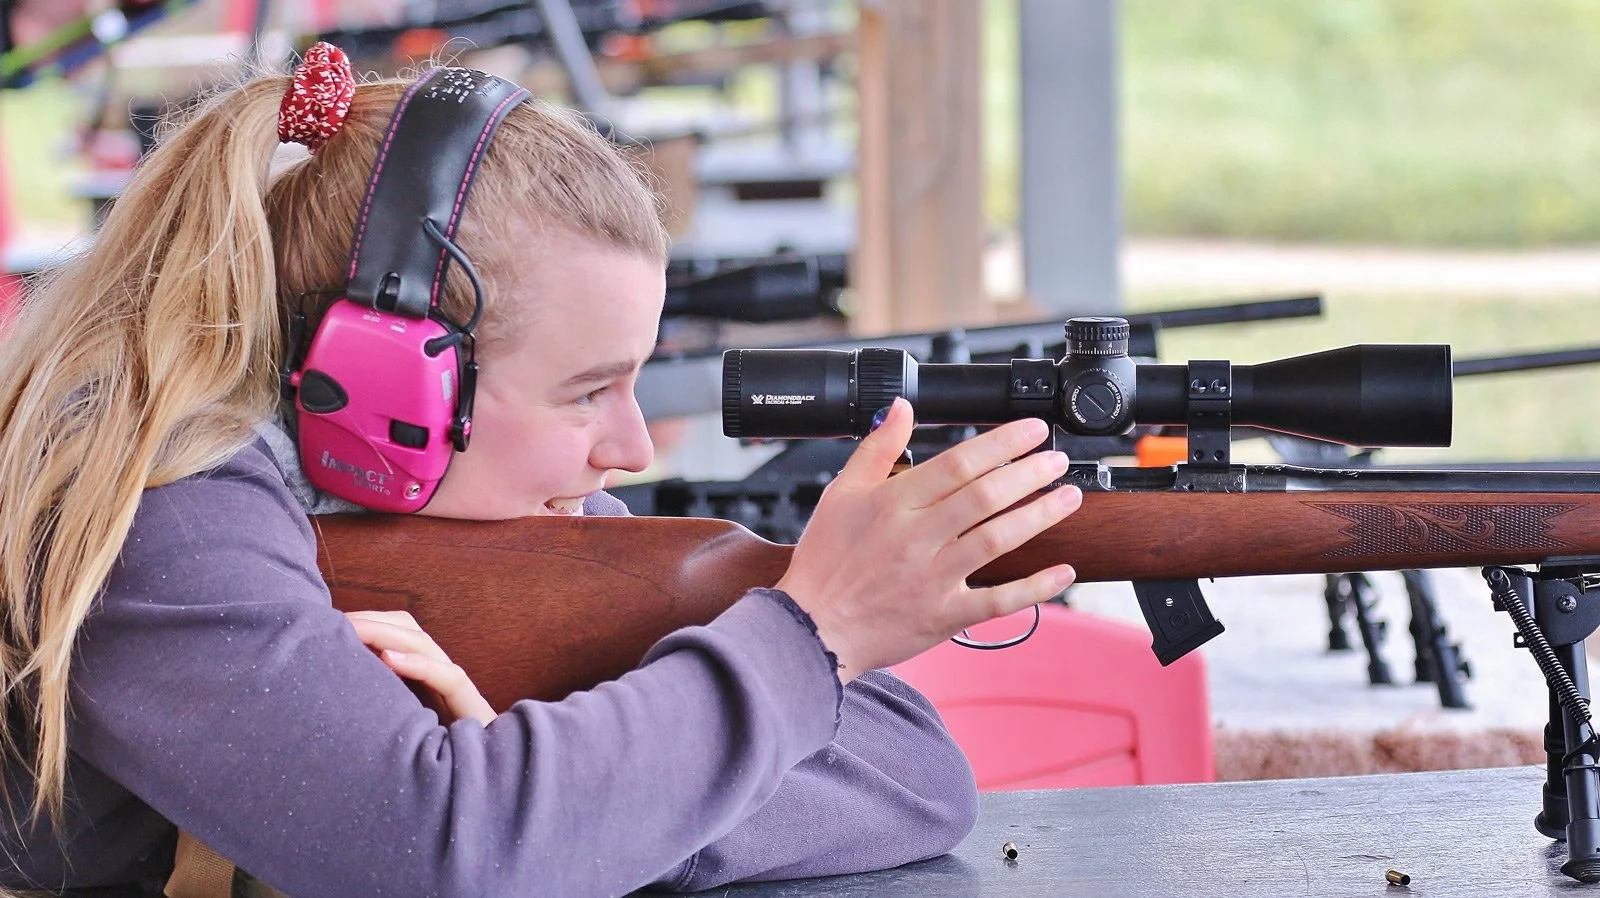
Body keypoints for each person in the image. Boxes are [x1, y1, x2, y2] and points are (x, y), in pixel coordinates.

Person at [0, 43, 1084, 897]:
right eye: (584, 391)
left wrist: (576, 801)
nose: (628, 447)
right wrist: (810, 637)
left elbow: (916, 781)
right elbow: (433, 849)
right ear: (389, 386)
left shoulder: (468, 504)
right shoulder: (153, 495)